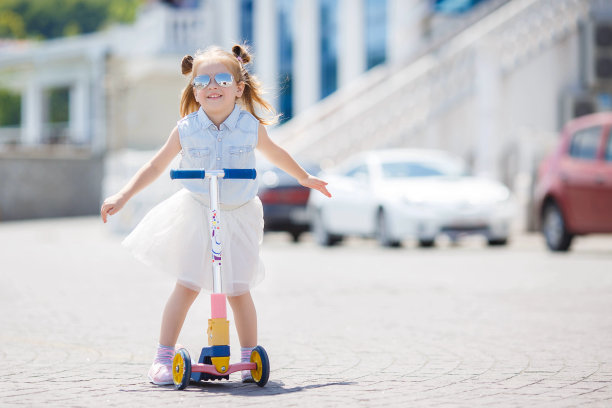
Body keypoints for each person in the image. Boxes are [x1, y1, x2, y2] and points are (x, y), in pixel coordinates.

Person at [100, 44, 331, 385]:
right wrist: (123, 194)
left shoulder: (249, 126)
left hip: (238, 214)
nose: (211, 86)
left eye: (222, 79)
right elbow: (156, 165)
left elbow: (276, 153)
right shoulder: (186, 128)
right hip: (198, 211)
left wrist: (303, 177)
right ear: (193, 89)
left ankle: (248, 356)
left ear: (238, 88)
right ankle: (163, 356)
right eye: (201, 81)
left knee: (238, 288)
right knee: (188, 284)